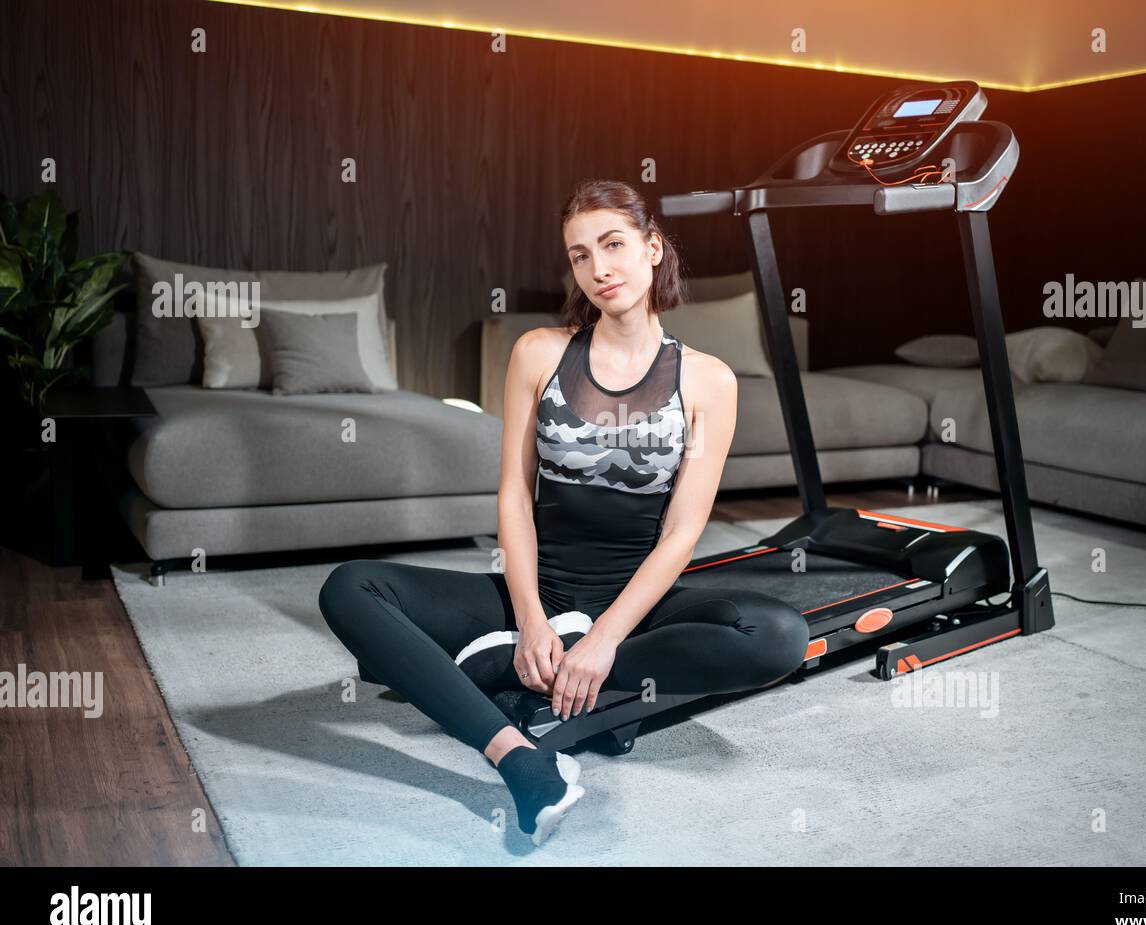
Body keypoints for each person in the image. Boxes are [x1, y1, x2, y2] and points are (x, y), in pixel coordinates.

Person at [318, 179, 810, 846]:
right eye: (580, 255)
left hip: (632, 609)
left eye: (613, 245)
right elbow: (515, 495)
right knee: (349, 587)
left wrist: (602, 641)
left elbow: (683, 531)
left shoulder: (708, 380)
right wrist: (529, 620)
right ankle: (520, 759)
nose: (598, 268)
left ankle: (532, 677)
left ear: (653, 248)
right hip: (538, 591)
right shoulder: (540, 352)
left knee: (778, 635)